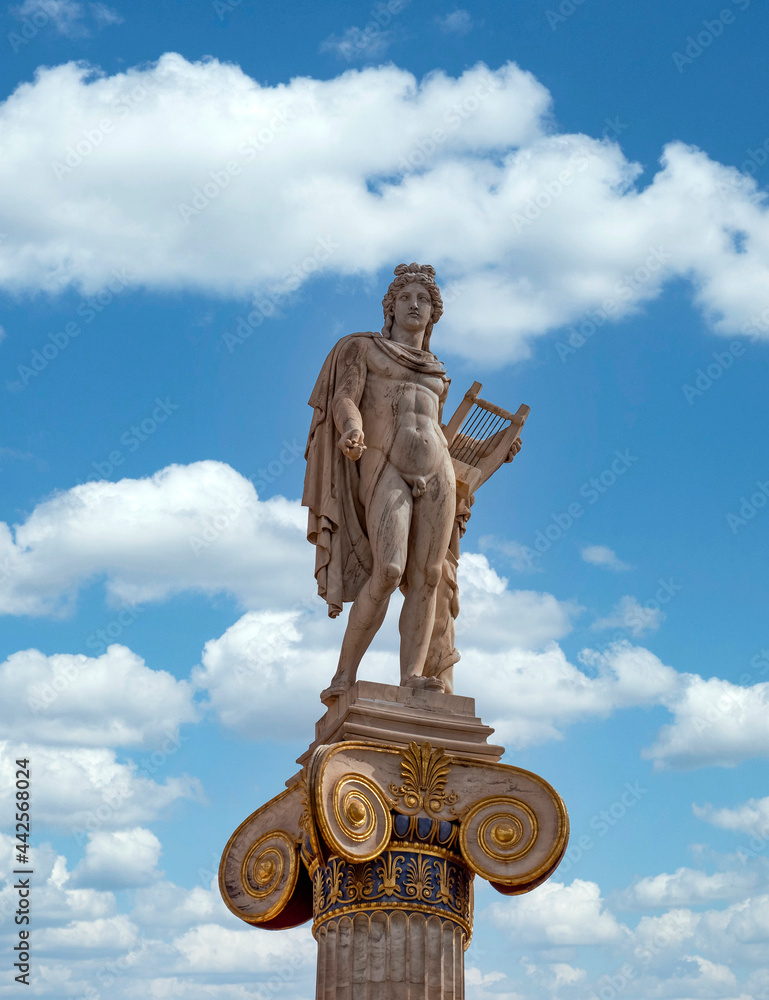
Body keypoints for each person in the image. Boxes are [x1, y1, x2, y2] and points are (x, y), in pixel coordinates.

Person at [303, 263, 455, 699]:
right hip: (384, 461)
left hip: (437, 467)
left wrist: (488, 451)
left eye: (422, 300)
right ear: (389, 308)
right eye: (404, 298)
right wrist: (351, 428)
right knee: (389, 570)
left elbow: (435, 428)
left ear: (433, 314)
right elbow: (345, 397)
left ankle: (412, 678)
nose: (414, 305)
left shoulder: (438, 371)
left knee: (427, 574)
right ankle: (344, 676)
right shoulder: (364, 349)